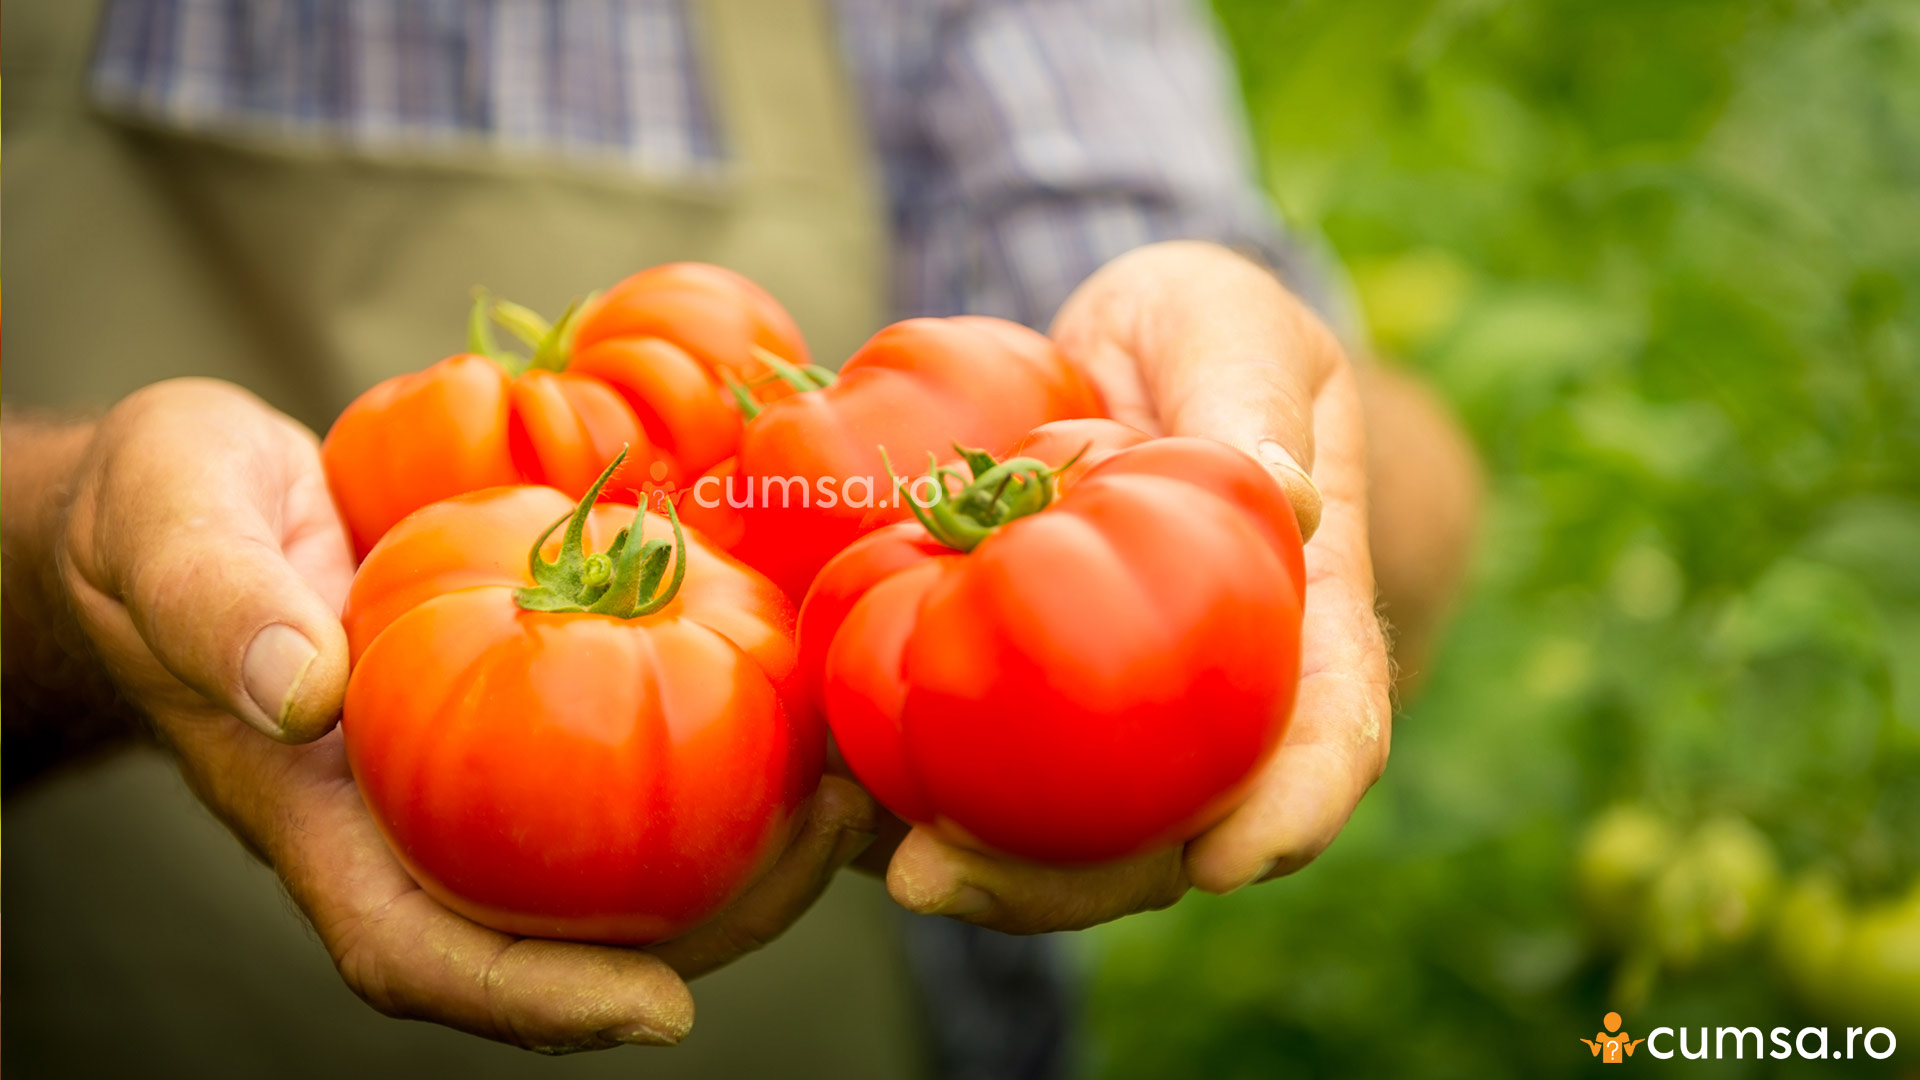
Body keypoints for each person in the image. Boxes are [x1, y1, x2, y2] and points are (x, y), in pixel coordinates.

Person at [2, 0, 1480, 1076]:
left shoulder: (845, 584)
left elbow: (1206, 430)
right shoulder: (796, 597)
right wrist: (63, 546)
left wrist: (1278, 428)